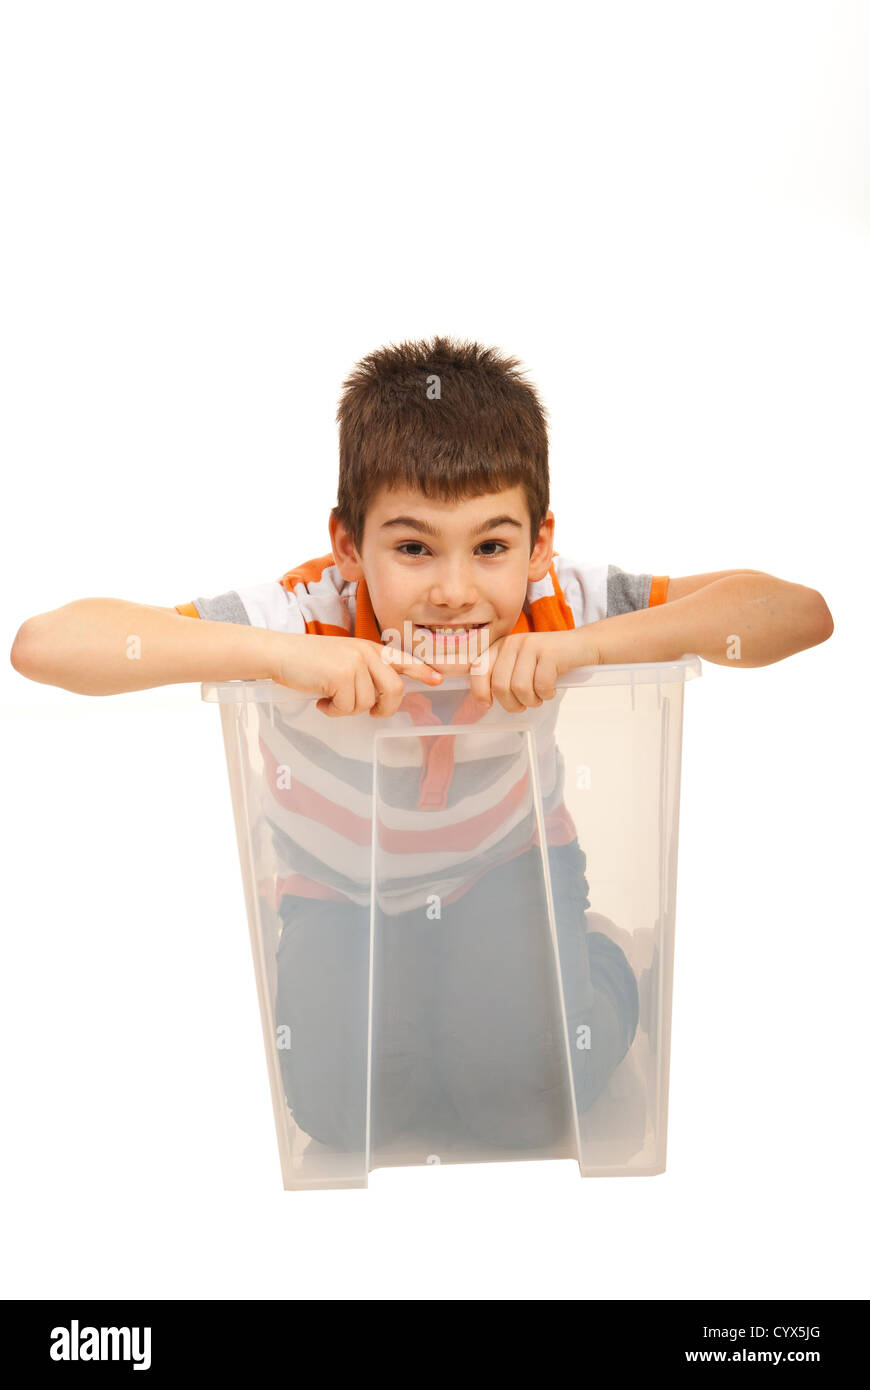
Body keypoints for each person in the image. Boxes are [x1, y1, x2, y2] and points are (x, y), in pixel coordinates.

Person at [10, 335, 834, 1159]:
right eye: (411, 548)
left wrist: (585, 650)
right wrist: (285, 657)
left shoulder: (560, 599)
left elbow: (795, 614)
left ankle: (602, 961)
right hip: (340, 889)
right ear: (347, 545)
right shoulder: (306, 612)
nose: (453, 591)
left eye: (491, 546)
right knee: (344, 1113)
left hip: (505, 866)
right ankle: (447, 1009)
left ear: (539, 543)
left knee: (523, 1104)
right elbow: (47, 646)